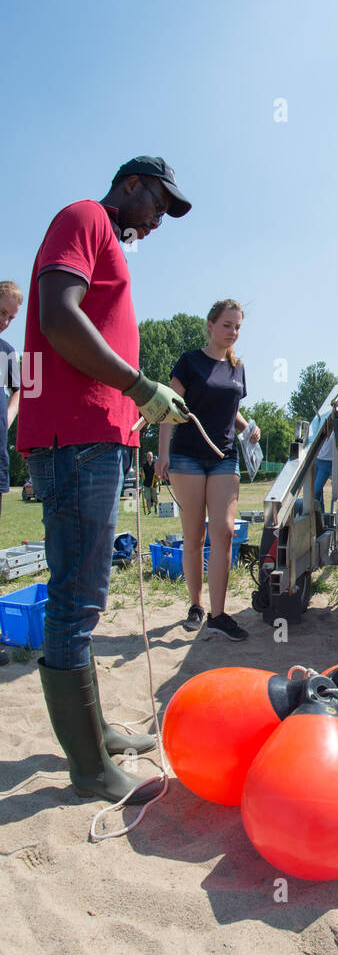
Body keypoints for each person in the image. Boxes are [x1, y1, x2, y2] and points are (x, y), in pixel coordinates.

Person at [17, 156, 192, 804]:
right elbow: (59, 316)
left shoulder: (101, 232)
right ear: (132, 185)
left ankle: (93, 737)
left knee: (83, 600)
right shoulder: (84, 216)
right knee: (76, 600)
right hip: (76, 440)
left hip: (96, 437)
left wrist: (130, 408)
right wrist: (137, 384)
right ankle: (90, 770)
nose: (158, 221)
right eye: (158, 206)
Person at [156, 299, 259, 640]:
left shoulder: (237, 368)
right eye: (227, 325)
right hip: (186, 456)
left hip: (224, 456)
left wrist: (248, 427)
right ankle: (196, 606)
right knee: (195, 535)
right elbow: (169, 407)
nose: (234, 332)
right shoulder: (190, 362)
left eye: (238, 327)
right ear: (211, 325)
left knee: (225, 531)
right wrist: (162, 454)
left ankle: (218, 614)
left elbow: (229, 410)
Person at [0, 281, 23, 667]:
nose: (4, 322)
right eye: (1, 312)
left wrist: (8, 417)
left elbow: (21, 390)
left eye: (10, 317)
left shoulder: (8, 352)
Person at [140, 449, 159, 514]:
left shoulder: (156, 464)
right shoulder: (144, 465)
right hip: (146, 484)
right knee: (148, 498)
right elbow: (142, 475)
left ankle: (156, 507)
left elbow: (158, 474)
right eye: (148, 457)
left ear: (152, 457)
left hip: (154, 484)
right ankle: (149, 511)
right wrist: (142, 482)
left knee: (155, 498)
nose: (149, 458)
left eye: (150, 456)